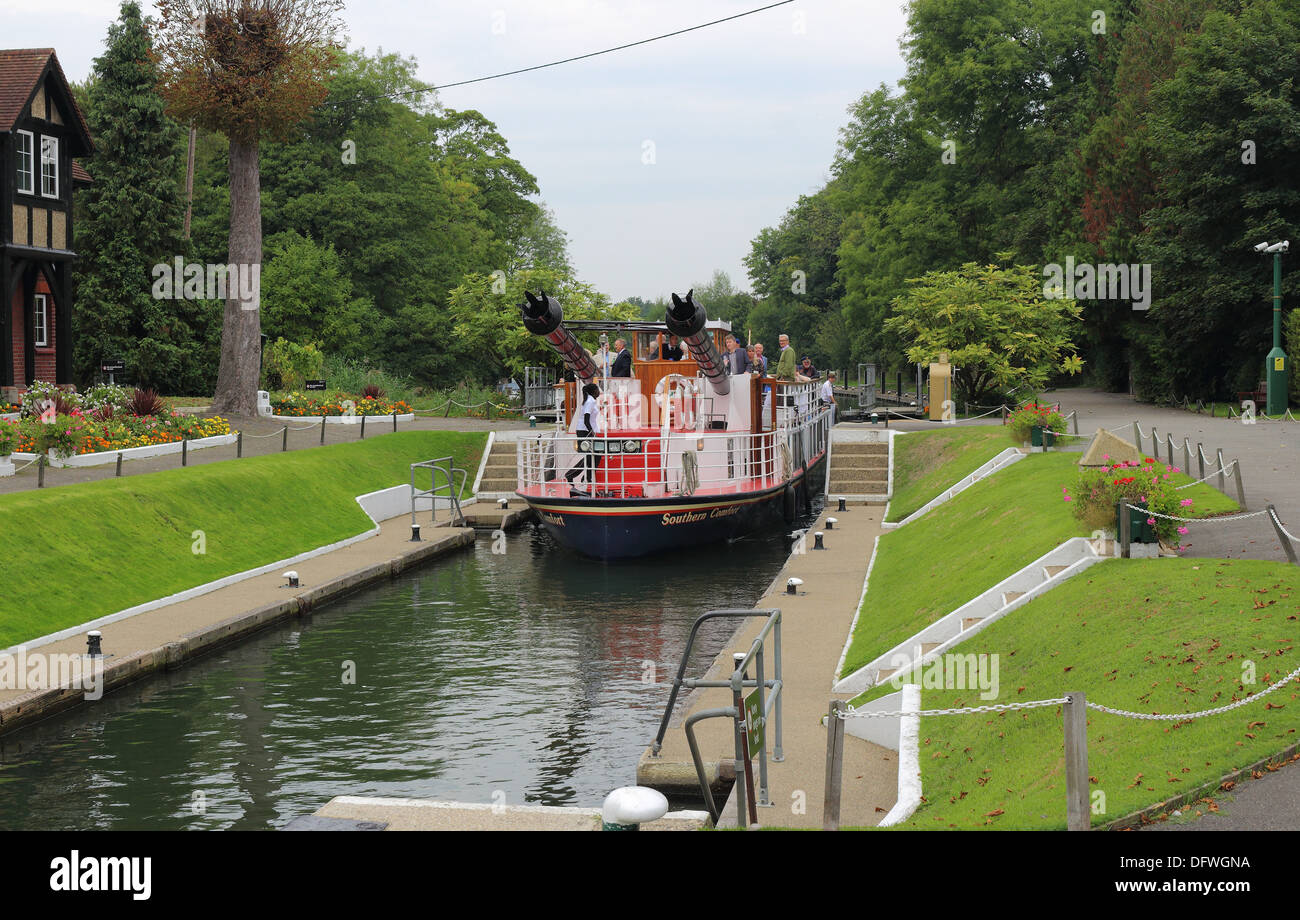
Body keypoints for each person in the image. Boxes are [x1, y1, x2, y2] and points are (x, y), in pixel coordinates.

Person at [565, 382, 603, 488]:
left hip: (586, 430)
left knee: (594, 455)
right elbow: (586, 419)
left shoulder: (591, 400)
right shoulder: (590, 401)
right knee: (593, 455)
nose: (599, 392)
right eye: (597, 390)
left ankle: (585, 476)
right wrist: (592, 433)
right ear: (593, 391)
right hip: (585, 431)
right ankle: (581, 476)